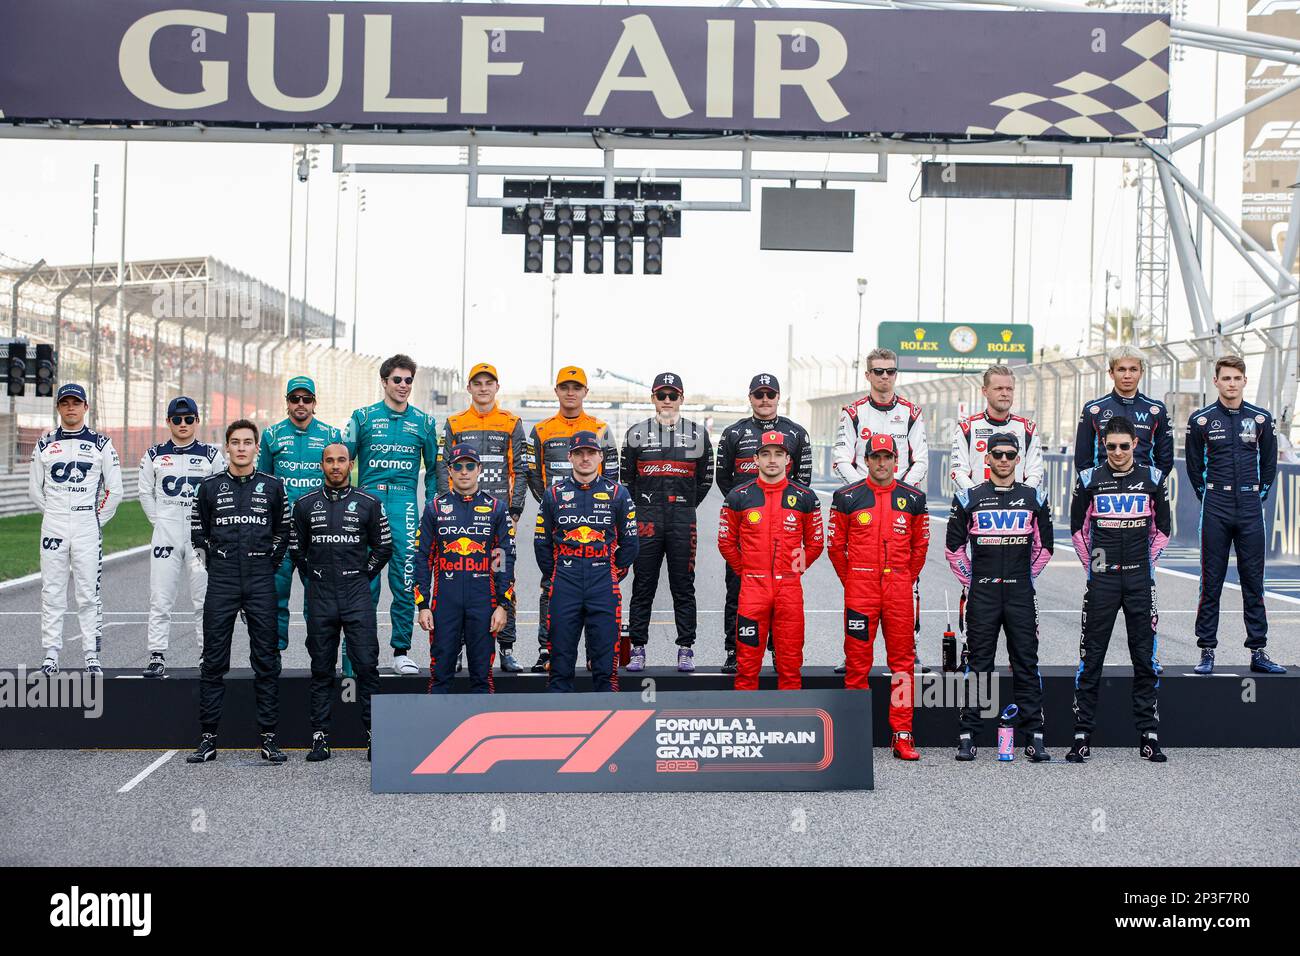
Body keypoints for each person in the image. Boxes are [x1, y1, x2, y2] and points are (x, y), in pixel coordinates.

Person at [186, 420, 291, 765]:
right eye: (236, 442)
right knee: (213, 661)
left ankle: (269, 739)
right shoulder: (210, 487)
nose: (242, 448)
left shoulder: (273, 487)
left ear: (257, 448)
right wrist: (219, 566)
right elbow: (198, 532)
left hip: (261, 578)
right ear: (226, 448)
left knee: (266, 660)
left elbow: (283, 531)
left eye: (248, 442)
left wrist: (265, 564)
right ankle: (207, 739)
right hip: (224, 580)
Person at [945, 432, 1053, 762]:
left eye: (1010, 455)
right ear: (987, 459)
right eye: (997, 454)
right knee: (977, 665)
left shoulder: (1035, 497)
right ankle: (968, 736)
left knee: (1026, 663)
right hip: (984, 593)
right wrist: (976, 581)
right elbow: (953, 549)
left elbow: (1045, 548)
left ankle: (1034, 736)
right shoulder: (968, 497)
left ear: (1018, 460)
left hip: (1020, 592)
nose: (1004, 460)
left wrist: (1024, 578)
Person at [1068, 416, 1170, 764]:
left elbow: (1163, 531)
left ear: (1135, 445)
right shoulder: (1089, 479)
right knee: (1091, 657)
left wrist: (1145, 563)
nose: (1117, 452)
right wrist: (1094, 568)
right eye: (1111, 446)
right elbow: (1078, 531)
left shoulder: (1153, 479)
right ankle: (1081, 735)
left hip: (1140, 581)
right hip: (1103, 581)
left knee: (1144, 658)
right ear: (1104, 447)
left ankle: (1149, 735)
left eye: (1124, 446)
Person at [289, 442, 392, 762]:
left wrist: (362, 575)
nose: (336, 466)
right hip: (321, 595)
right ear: (321, 465)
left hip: (356, 594)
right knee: (321, 668)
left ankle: (375, 736)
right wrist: (316, 577)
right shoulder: (304, 505)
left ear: (351, 465)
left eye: (342, 461)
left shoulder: (369, 503)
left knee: (366, 666)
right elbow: (297, 552)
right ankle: (320, 737)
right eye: (330, 461)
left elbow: (384, 547)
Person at [827, 435, 926, 761]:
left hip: (897, 589)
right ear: (865, 460)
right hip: (861, 589)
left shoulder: (913, 498)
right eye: (875, 457)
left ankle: (902, 734)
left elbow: (919, 548)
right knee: (857, 665)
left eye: (887, 457)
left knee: (903, 666)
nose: (882, 463)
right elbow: (835, 547)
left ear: (896, 460)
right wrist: (853, 580)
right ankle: (853, 734)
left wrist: (903, 579)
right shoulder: (846, 497)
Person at [1186, 356, 1286, 675]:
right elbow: (1193, 468)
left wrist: (1257, 493)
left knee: (1253, 581)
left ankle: (1258, 651)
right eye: (1225, 378)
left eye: (1237, 378)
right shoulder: (1201, 420)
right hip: (1216, 504)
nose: (1231, 383)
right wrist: (1211, 496)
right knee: (1211, 581)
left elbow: (1269, 464)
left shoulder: (1260, 419)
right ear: (1215, 381)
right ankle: (1206, 651)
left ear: (1245, 381)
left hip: (1250, 506)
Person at [344, 354, 440, 676]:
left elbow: (435, 471)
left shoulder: (424, 423)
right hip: (367, 506)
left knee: (405, 580)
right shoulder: (363, 417)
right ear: (384, 382)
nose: (402, 385)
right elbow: (343, 461)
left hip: (404, 507)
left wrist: (431, 507)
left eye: (408, 380)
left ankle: (401, 651)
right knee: (364, 582)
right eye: (397, 379)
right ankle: (361, 653)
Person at [715, 373, 813, 673]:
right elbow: (724, 481)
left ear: (778, 397)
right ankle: (734, 650)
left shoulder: (796, 433)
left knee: (784, 594)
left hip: (784, 527)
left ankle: (776, 650)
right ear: (751, 398)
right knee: (738, 588)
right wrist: (746, 510)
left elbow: (803, 483)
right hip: (748, 526)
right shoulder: (733, 433)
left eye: (770, 394)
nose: (765, 400)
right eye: (759, 395)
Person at [434, 362, 527, 673]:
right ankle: (458, 648)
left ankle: (507, 647)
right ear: (469, 388)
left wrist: (514, 512)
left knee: (503, 577)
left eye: (489, 382)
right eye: (478, 383)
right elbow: (442, 466)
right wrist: (444, 508)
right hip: (458, 515)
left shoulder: (512, 422)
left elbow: (520, 469)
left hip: (498, 519)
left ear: (497, 387)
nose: (483, 387)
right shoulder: (455, 422)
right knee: (459, 582)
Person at [526, 366, 620, 673]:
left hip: (598, 518)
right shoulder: (540, 430)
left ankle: (596, 653)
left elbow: (614, 476)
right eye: (565, 387)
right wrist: (554, 507)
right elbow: (534, 476)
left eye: (576, 387)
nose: (570, 392)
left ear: (585, 392)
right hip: (557, 518)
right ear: (556, 391)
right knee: (550, 582)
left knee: (600, 590)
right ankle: (546, 649)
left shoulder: (601, 427)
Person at [621, 372, 714, 673]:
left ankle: (685, 648)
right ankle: (638, 648)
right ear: (653, 399)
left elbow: (705, 480)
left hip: (682, 519)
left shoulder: (698, 435)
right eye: (662, 395)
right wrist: (645, 507)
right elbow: (627, 481)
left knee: (683, 586)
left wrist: (684, 505)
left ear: (681, 399)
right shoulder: (636, 433)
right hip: (646, 518)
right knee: (643, 584)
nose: (667, 401)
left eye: (673, 396)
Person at [29, 383, 124, 675]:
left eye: (76, 402)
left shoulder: (101, 443)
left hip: (87, 525)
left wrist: (94, 519)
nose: (71, 407)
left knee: (88, 592)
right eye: (65, 402)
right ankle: (51, 654)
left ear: (86, 407)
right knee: (52, 590)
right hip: (54, 524)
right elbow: (35, 489)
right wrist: (57, 514)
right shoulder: (44, 443)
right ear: (58, 407)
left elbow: (115, 489)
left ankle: (90, 655)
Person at [718, 430, 823, 691]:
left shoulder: (805, 497)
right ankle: (747, 722)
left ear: (788, 459)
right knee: (746, 666)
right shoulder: (738, 496)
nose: (772, 460)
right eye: (765, 454)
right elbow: (726, 542)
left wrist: (798, 566)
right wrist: (746, 571)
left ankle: (790, 725)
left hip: (789, 589)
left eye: (778, 454)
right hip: (753, 589)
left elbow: (815, 543)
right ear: (756, 459)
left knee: (790, 665)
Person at [534, 432, 637, 692]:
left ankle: (607, 725)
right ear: (570, 457)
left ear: (600, 457)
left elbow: (631, 543)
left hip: (603, 581)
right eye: (579, 453)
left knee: (605, 665)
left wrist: (612, 572)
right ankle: (559, 725)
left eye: (591, 453)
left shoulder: (618, 493)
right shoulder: (554, 494)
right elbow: (541, 544)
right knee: (560, 664)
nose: (585, 458)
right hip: (565, 582)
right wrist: (558, 572)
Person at [416, 444, 516, 693]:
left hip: (483, 600)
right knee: (440, 674)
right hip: (444, 602)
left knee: (482, 676)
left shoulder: (496, 508)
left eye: (470, 466)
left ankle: (480, 730)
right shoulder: (434, 509)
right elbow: (422, 558)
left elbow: (502, 559)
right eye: (458, 466)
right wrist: (422, 605)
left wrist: (503, 606)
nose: (464, 471)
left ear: (479, 469)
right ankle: (438, 729)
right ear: (449, 471)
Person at [138, 396, 225, 678]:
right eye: (177, 419)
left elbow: (220, 495)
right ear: (168, 422)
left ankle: (206, 654)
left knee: (203, 599)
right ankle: (156, 654)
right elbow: (144, 493)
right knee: (160, 597)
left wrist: (208, 530)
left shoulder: (212, 455)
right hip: (166, 533)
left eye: (189, 419)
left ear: (197, 421)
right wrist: (160, 521)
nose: (183, 424)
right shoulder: (153, 454)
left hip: (200, 537)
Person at [258, 376, 340, 652]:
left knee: (318, 597)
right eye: (295, 399)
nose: (301, 404)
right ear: (287, 403)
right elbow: (264, 483)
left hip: (318, 530)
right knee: (275, 595)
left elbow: (338, 480)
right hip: (281, 530)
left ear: (315, 403)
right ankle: (273, 655)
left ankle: (319, 654)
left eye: (306, 399)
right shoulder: (271, 435)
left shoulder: (331, 435)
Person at [832, 347, 927, 486]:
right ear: (868, 375)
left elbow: (921, 461)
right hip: (863, 495)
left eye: (890, 371)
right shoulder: (852, 413)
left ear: (896, 375)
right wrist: (862, 490)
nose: (885, 375)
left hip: (900, 495)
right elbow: (841, 460)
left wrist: (902, 490)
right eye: (878, 371)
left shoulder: (912, 413)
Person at [1075, 345, 1174, 477]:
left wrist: (1152, 483)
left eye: (1133, 369)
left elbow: (1165, 460)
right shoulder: (1093, 410)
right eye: (1121, 369)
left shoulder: (1156, 410)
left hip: (1144, 489)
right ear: (1111, 373)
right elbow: (1083, 460)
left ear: (1141, 372)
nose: (1127, 375)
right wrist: (1095, 484)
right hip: (1103, 489)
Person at [950, 365, 1043, 490]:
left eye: (1009, 389)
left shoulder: (1027, 428)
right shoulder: (967, 427)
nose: (1005, 393)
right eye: (999, 388)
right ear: (985, 391)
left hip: (1018, 505)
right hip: (978, 505)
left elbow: (1035, 473)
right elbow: (958, 471)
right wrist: (977, 497)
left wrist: (1021, 497)